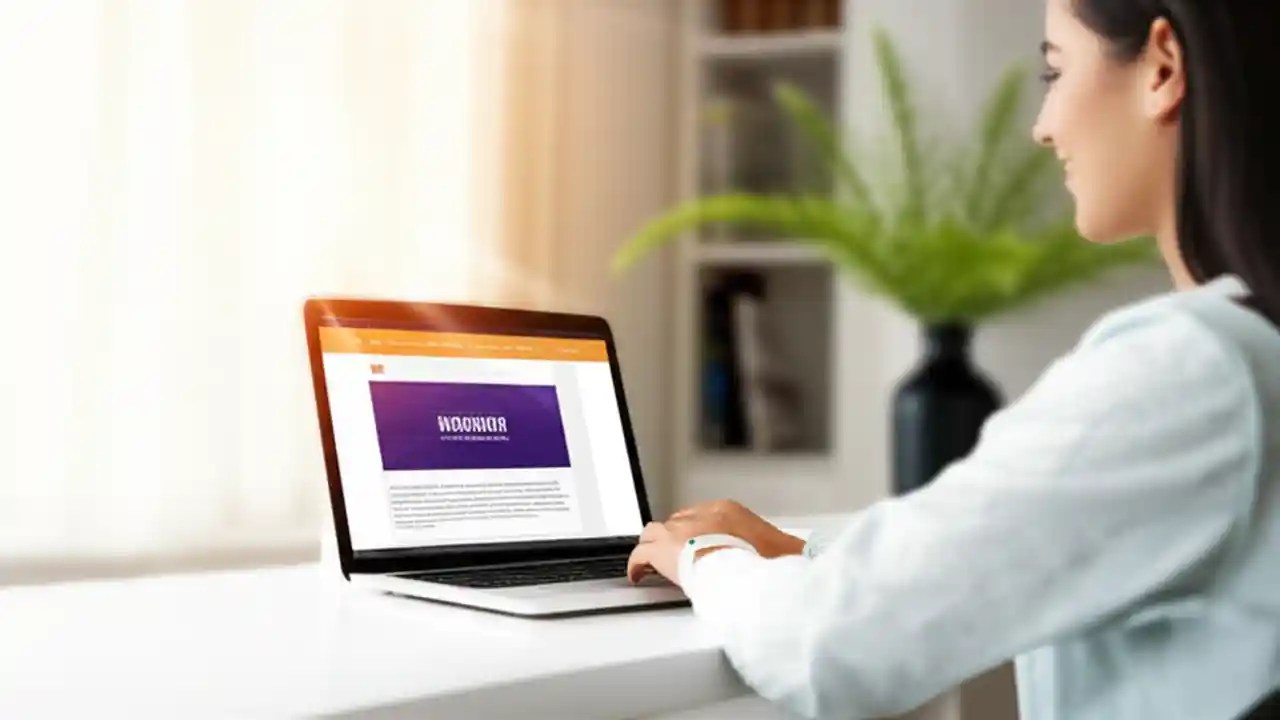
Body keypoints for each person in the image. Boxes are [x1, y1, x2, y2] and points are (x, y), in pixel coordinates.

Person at [626, 0, 1280, 717]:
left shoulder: (1195, 371)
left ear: (1162, 67)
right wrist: (799, 551)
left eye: (1054, 71)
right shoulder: (1250, 358)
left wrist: (705, 563)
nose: (1043, 125)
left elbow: (829, 648)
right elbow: (1021, 538)